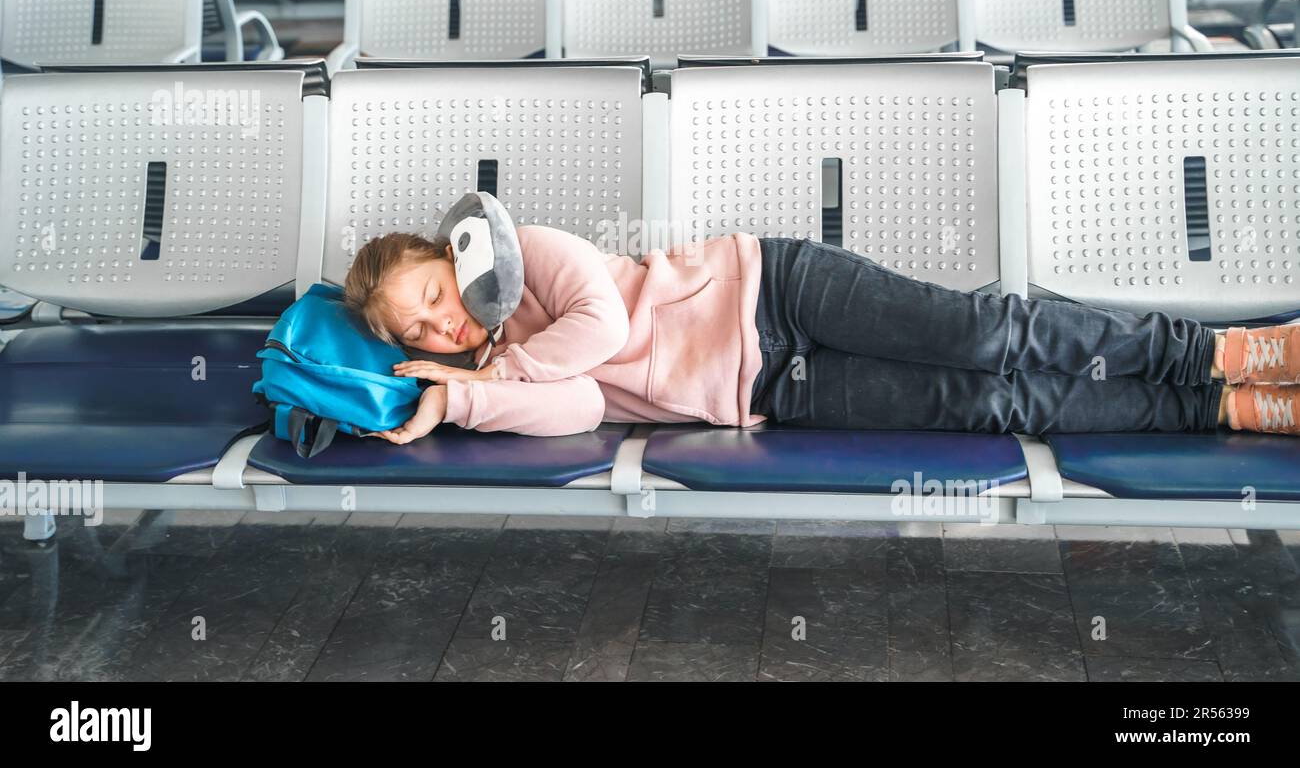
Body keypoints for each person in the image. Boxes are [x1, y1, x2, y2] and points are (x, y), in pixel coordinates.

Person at [342, 227, 1300, 442]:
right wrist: (461, 398)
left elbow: (595, 331)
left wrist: (500, 363)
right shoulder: (494, 371)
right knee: (989, 402)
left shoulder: (528, 251)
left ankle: (1219, 350)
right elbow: (583, 405)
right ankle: (1228, 407)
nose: (440, 318)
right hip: (771, 393)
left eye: (433, 289)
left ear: (449, 252)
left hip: (775, 292)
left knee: (984, 334)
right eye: (417, 327)